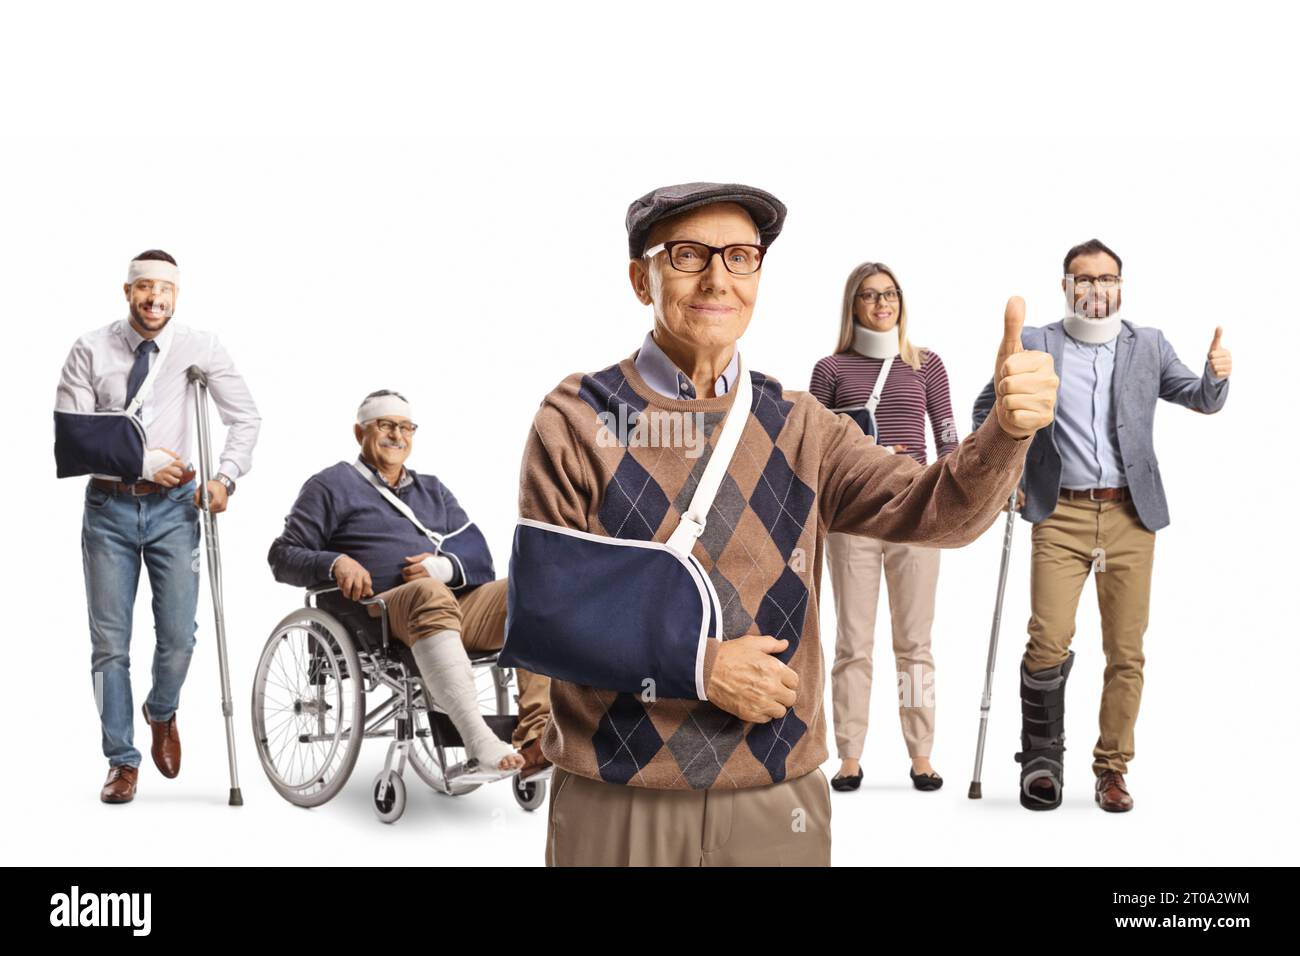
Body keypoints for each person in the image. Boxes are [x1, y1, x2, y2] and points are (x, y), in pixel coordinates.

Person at [506, 182, 1056, 865]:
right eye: (686, 255)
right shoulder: (577, 419)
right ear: (639, 280)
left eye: (741, 257)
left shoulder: (801, 426)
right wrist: (702, 667)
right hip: (617, 796)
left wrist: (1004, 433)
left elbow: (937, 510)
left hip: (775, 797)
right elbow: (543, 617)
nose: (718, 278)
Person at [972, 238, 1232, 812]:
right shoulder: (1039, 342)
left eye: (1106, 278)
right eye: (1084, 279)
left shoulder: (1149, 345)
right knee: (1048, 640)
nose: (1096, 289)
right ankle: (1041, 761)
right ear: (1065, 286)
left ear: (1122, 285)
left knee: (1125, 651)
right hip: (1058, 511)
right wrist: (1003, 471)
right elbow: (988, 406)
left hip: (1129, 514)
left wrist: (1216, 377)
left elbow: (1201, 400)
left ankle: (1112, 770)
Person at [55, 249, 262, 804]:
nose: (154, 299)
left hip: (176, 509)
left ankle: (161, 710)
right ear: (127, 292)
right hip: (109, 509)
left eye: (164, 289)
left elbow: (245, 417)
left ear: (177, 294)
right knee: (110, 644)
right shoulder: (90, 349)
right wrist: (141, 461)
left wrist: (225, 478)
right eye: (144, 288)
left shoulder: (201, 346)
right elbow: (74, 438)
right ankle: (121, 760)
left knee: (178, 636)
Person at [267, 389, 552, 776]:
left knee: (535, 587)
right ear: (359, 432)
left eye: (405, 427)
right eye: (385, 425)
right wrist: (334, 562)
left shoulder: (433, 490)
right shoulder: (330, 486)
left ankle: (537, 740)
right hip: (379, 613)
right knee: (427, 592)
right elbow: (282, 556)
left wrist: (444, 567)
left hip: (454, 605)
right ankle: (478, 737)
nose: (396, 435)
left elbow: (480, 559)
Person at [809, 261, 959, 793]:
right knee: (853, 643)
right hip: (853, 517)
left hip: (916, 513)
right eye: (870, 296)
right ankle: (849, 755)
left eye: (890, 294)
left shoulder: (927, 365)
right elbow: (814, 449)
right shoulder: (830, 370)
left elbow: (948, 438)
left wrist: (963, 496)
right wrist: (868, 456)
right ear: (853, 305)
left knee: (915, 644)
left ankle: (922, 754)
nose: (881, 304)